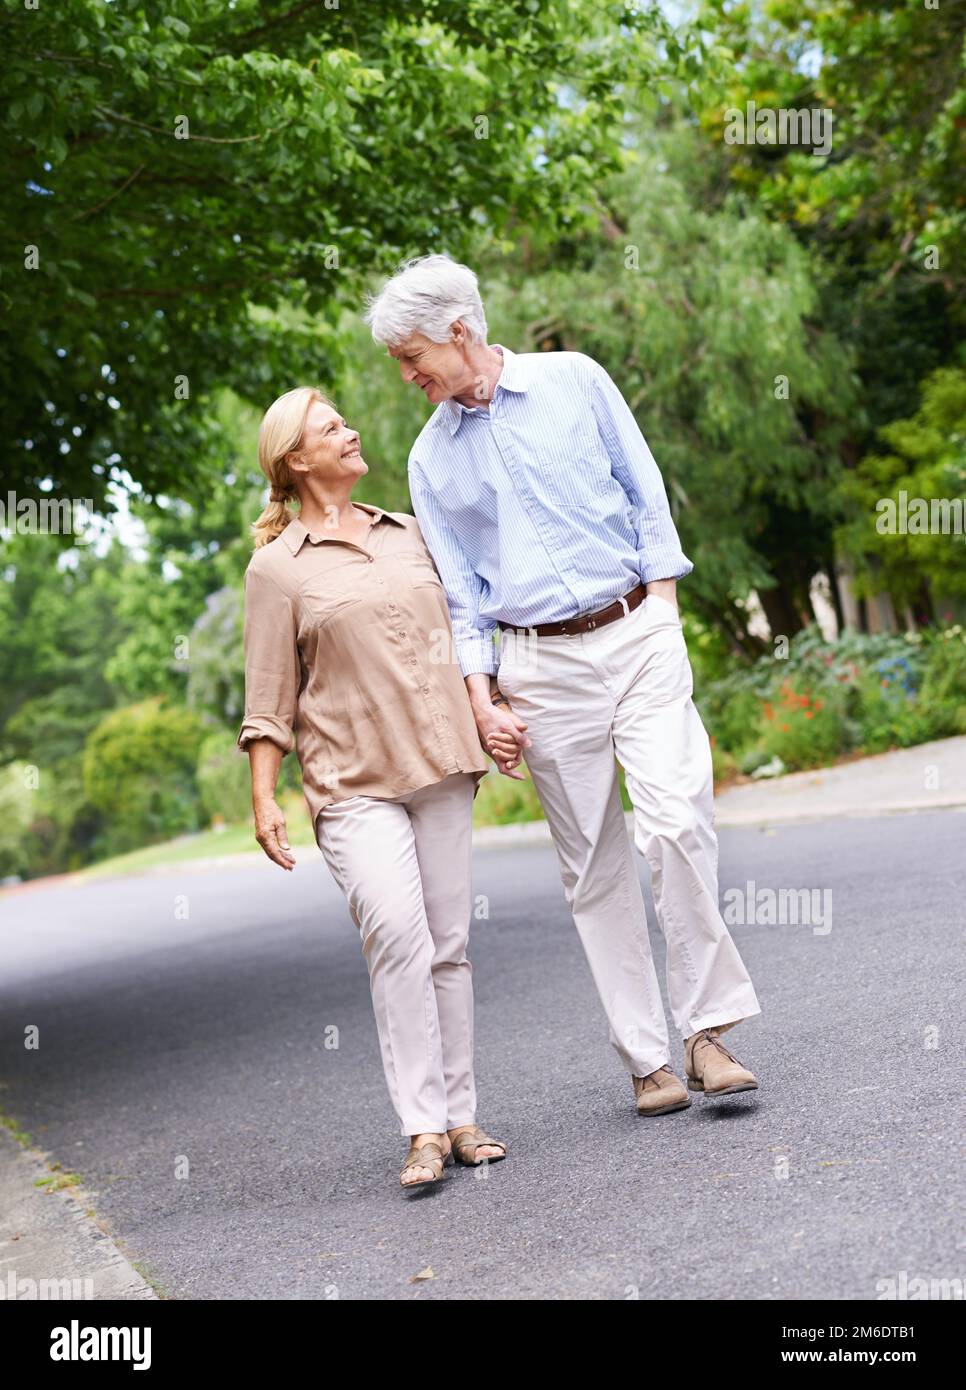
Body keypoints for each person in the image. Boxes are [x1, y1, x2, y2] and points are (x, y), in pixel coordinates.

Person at [363, 254, 762, 1117]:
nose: (407, 376)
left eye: (411, 356)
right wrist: (483, 697)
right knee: (593, 868)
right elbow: (462, 594)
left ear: (459, 331)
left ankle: (709, 1029)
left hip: (636, 628)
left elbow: (643, 486)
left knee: (677, 819)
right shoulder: (430, 460)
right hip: (537, 662)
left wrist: (660, 600)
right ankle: (649, 1058)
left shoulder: (574, 379)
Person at [236, 385, 508, 1186]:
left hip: (439, 762)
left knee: (449, 947)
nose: (351, 432)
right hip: (352, 782)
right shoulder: (277, 571)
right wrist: (264, 796)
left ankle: (461, 1120)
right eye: (332, 428)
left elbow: (468, 628)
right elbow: (267, 696)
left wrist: (491, 706)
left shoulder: (413, 534)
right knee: (399, 937)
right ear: (297, 459)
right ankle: (420, 1128)